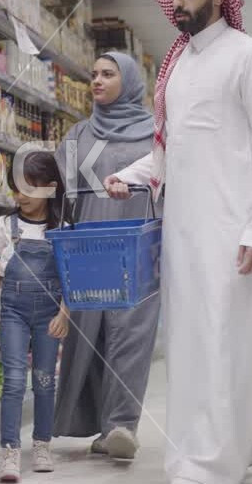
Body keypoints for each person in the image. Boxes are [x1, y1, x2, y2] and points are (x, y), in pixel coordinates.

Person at [104, 0, 252, 484]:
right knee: (189, 345)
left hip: (232, 232)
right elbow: (169, 150)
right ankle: (213, 450)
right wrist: (132, 177)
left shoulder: (250, 57)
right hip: (181, 233)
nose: (178, 4)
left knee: (226, 343)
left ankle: (216, 462)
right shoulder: (177, 65)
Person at [50, 52, 159, 461]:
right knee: (90, 335)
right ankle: (97, 426)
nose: (97, 81)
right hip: (90, 246)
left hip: (139, 245)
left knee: (131, 333)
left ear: (128, 81)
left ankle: (121, 425)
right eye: (93, 74)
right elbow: (62, 193)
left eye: (107, 74)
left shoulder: (156, 134)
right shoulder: (79, 134)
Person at [0, 150, 71, 482]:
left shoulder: (62, 227)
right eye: (16, 189)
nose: (20, 197)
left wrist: (66, 313)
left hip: (50, 313)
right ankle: (9, 451)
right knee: (14, 381)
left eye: (29, 189)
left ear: (50, 188)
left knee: (46, 381)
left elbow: (71, 276)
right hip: (14, 313)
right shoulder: (4, 227)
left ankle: (42, 444)